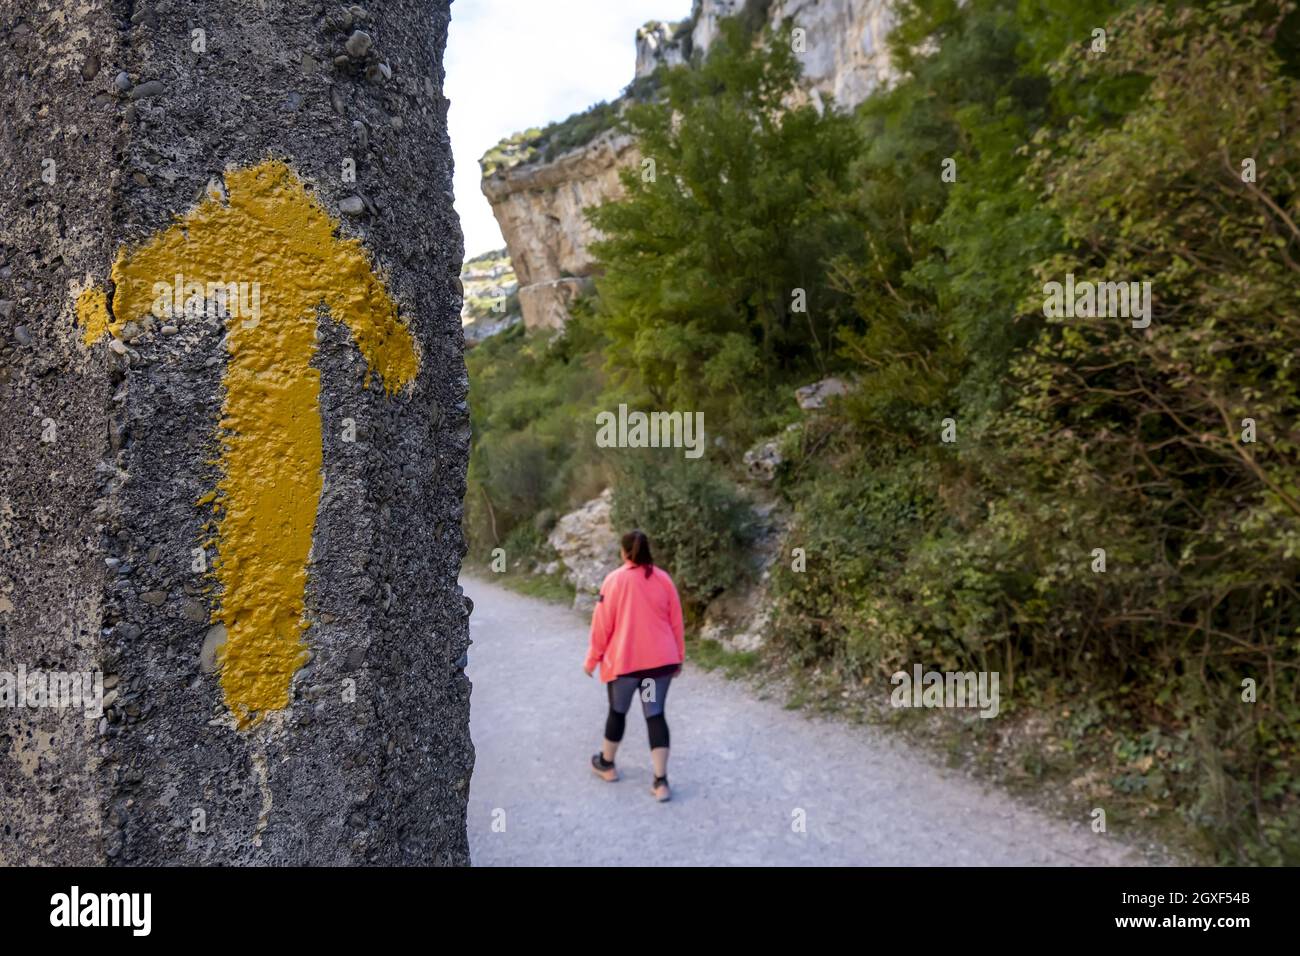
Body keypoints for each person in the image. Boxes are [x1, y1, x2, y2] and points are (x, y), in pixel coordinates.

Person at [583, 529, 684, 802]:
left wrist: (592, 658)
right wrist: (679, 658)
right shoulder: (663, 580)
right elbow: (676, 623)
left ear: (624, 552)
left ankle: (607, 765)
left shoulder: (614, 581)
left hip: (626, 665)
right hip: (657, 667)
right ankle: (661, 782)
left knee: (618, 712)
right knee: (654, 714)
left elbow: (602, 626)